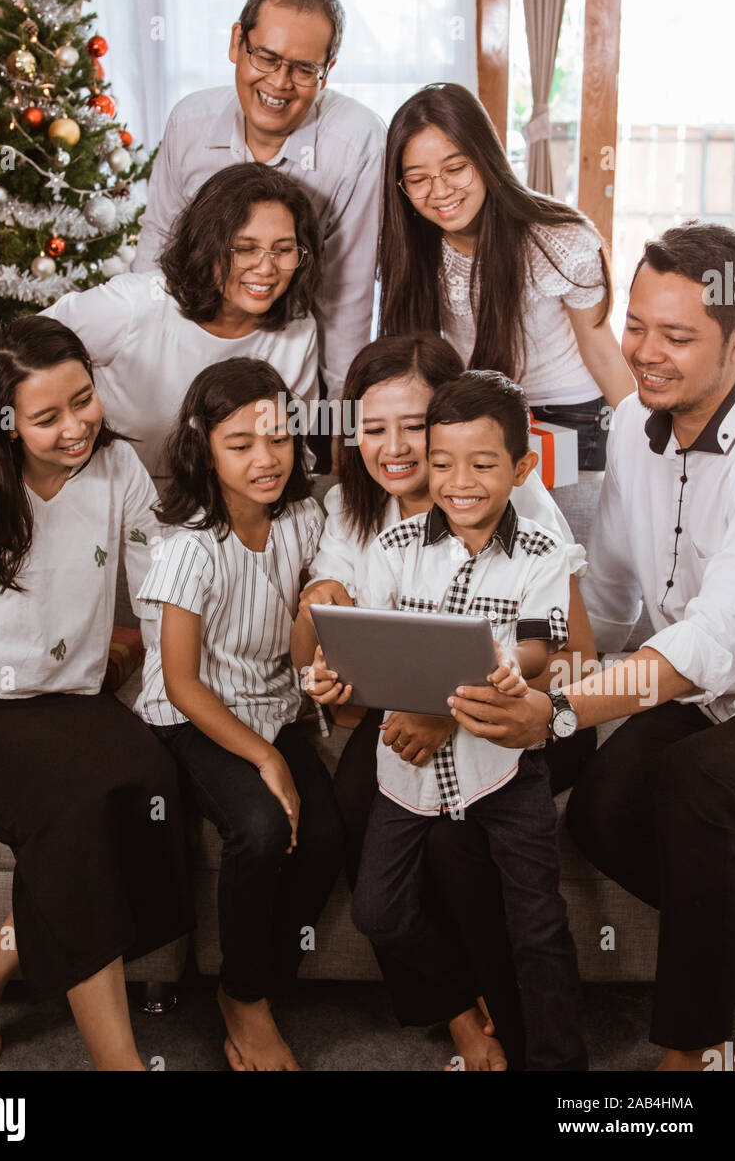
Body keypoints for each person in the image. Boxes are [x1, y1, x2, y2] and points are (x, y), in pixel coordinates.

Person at [449, 223, 735, 1072]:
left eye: (677, 337)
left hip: (720, 675)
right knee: (607, 811)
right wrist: (517, 666)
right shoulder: (633, 430)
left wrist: (564, 708)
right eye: (637, 327)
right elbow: (609, 604)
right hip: (707, 690)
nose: (645, 353)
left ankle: (692, 1047)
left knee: (693, 781)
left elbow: (717, 632)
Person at [0, 318, 191, 1072]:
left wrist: (173, 685)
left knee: (152, 781)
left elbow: (164, 592)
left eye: (83, 401)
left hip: (67, 695)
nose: (76, 427)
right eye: (47, 418)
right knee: (72, 811)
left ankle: (0, 951)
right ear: (2, 419)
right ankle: (121, 1064)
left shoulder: (121, 471)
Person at [302, 371, 588, 1071]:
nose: (459, 481)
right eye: (442, 463)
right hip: (404, 775)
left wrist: (452, 684)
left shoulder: (542, 555)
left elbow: (538, 646)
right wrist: (333, 677)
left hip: (503, 771)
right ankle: (460, 1000)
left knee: (536, 923)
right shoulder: (395, 548)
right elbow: (368, 649)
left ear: (521, 468)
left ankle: (556, 1066)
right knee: (377, 910)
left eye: (483, 464)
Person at [129, 358, 345, 1071]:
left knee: (323, 835)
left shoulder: (304, 518)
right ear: (204, 447)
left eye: (278, 439)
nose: (266, 459)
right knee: (258, 826)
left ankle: (256, 980)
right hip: (194, 714)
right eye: (241, 444)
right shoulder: (187, 545)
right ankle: (245, 1000)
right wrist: (266, 757)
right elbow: (183, 684)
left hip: (273, 705)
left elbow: (322, 602)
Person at [131, 0, 386, 402]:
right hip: (186, 348)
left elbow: (348, 295)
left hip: (291, 359)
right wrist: (143, 357)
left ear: (326, 74)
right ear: (237, 43)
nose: (280, 83)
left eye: (304, 68)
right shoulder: (188, 121)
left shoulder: (358, 141)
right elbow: (158, 244)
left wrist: (346, 421)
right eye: (266, 57)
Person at [377, 83, 633, 468]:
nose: (441, 191)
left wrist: (650, 441)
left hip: (569, 417)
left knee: (558, 527)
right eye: (418, 178)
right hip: (478, 413)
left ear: (485, 158)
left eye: (455, 168)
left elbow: (602, 351)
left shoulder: (559, 239)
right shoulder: (411, 244)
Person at [44, 163, 320, 476]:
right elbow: (17, 353)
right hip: (105, 498)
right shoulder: (134, 304)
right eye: (245, 248)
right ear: (207, 245)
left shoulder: (298, 328)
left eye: (283, 250)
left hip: (216, 510)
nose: (266, 268)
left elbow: (293, 450)